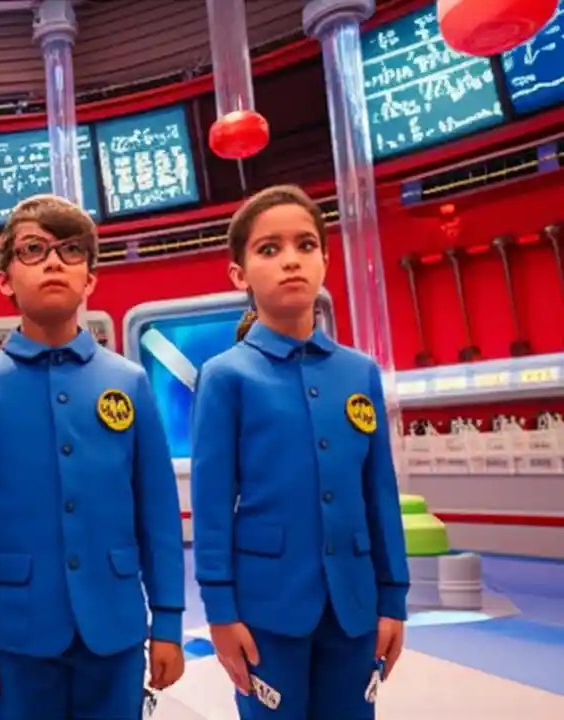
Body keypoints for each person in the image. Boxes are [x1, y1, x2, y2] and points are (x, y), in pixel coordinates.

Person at [0, 194, 186, 720]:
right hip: (14, 633)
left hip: (116, 626)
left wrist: (167, 620)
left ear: (90, 279)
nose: (53, 261)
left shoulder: (130, 381)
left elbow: (158, 514)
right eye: (33, 249)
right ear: (5, 279)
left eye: (70, 250)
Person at [190, 185, 409, 719]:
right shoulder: (225, 377)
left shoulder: (359, 372)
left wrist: (393, 598)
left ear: (325, 261)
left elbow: (379, 492)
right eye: (269, 249)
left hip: (355, 605)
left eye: (305, 245)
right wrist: (220, 612)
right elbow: (213, 505)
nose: (291, 259)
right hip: (267, 608)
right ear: (238, 274)